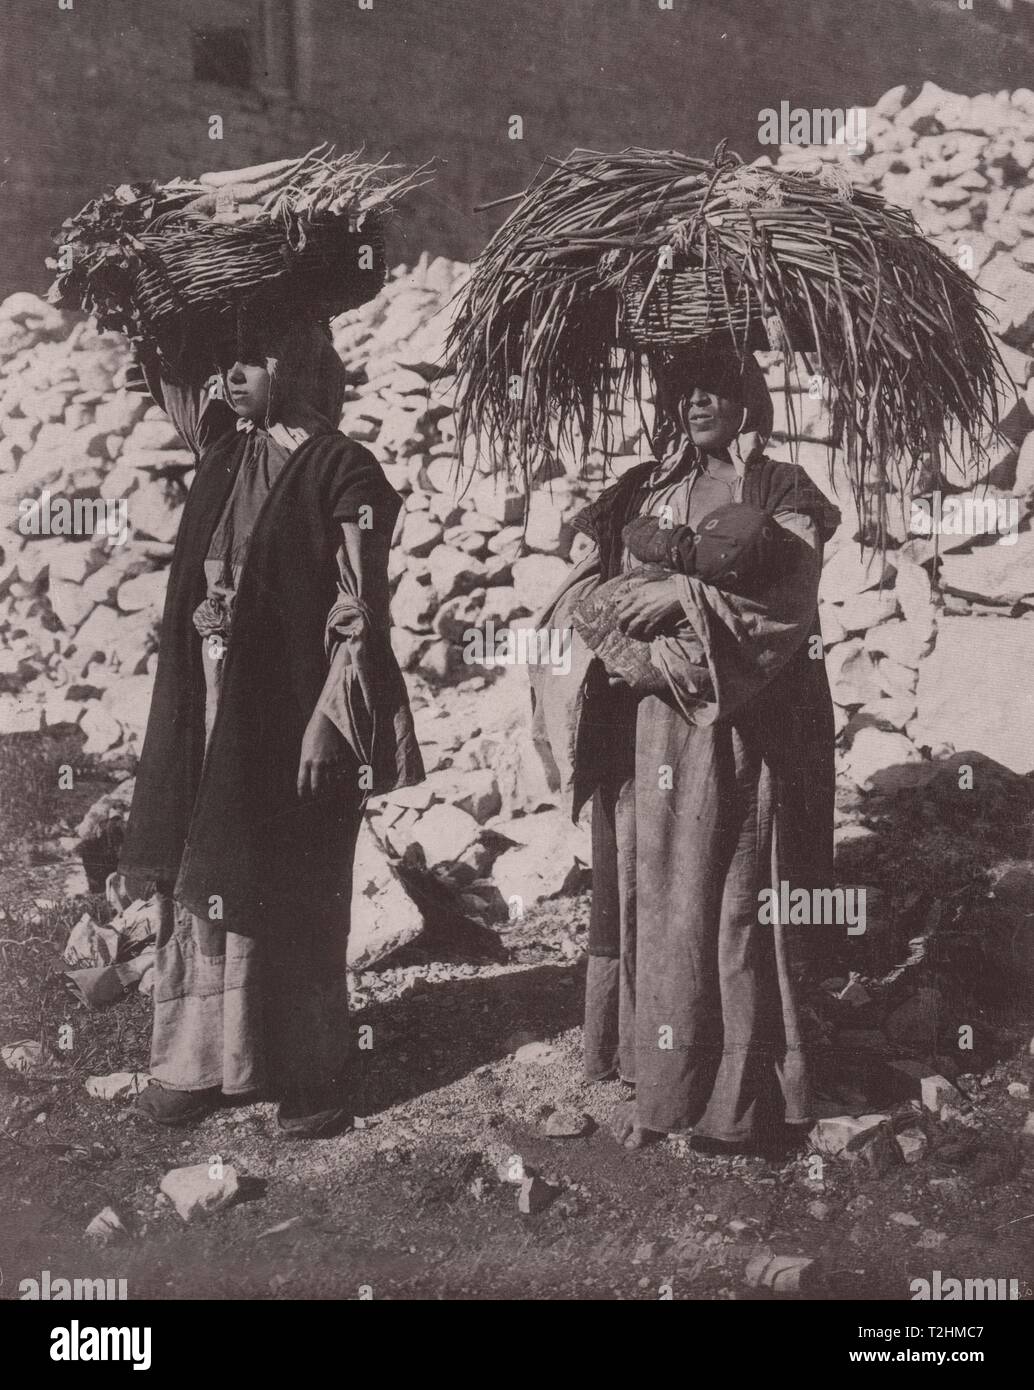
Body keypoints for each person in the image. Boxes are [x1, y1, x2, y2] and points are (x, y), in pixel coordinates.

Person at [120, 307, 423, 1139]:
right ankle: (200, 1062)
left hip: (293, 710)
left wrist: (332, 721)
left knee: (290, 876)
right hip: (210, 704)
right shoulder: (224, 451)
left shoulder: (344, 470)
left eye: (250, 359)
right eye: (227, 365)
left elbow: (363, 611)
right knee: (204, 860)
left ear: (291, 362)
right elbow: (175, 371)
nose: (230, 378)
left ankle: (306, 1070)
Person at [532, 342, 841, 1156]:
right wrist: (614, 604)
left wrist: (682, 594)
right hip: (647, 724)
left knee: (733, 901)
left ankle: (734, 1103)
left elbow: (785, 607)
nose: (698, 401)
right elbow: (584, 582)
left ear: (749, 400)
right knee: (658, 892)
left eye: (718, 387)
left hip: (737, 724)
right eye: (685, 388)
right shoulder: (644, 488)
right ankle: (657, 1082)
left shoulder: (782, 492)